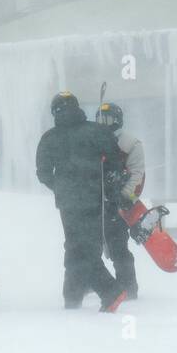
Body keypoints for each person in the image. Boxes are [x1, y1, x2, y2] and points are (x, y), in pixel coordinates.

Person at [36, 91, 128, 313]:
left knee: (78, 248)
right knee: (82, 247)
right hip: (96, 199)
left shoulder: (50, 138)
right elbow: (116, 163)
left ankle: (110, 291)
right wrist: (107, 186)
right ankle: (73, 296)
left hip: (69, 203)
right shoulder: (97, 131)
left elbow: (43, 172)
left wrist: (60, 187)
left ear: (54, 111)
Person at [96, 102, 145, 300]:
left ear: (118, 120)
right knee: (92, 245)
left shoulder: (130, 143)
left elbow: (136, 173)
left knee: (118, 246)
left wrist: (123, 197)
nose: (103, 123)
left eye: (108, 119)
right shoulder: (93, 140)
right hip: (95, 201)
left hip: (118, 203)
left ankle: (128, 286)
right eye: (100, 119)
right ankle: (92, 282)